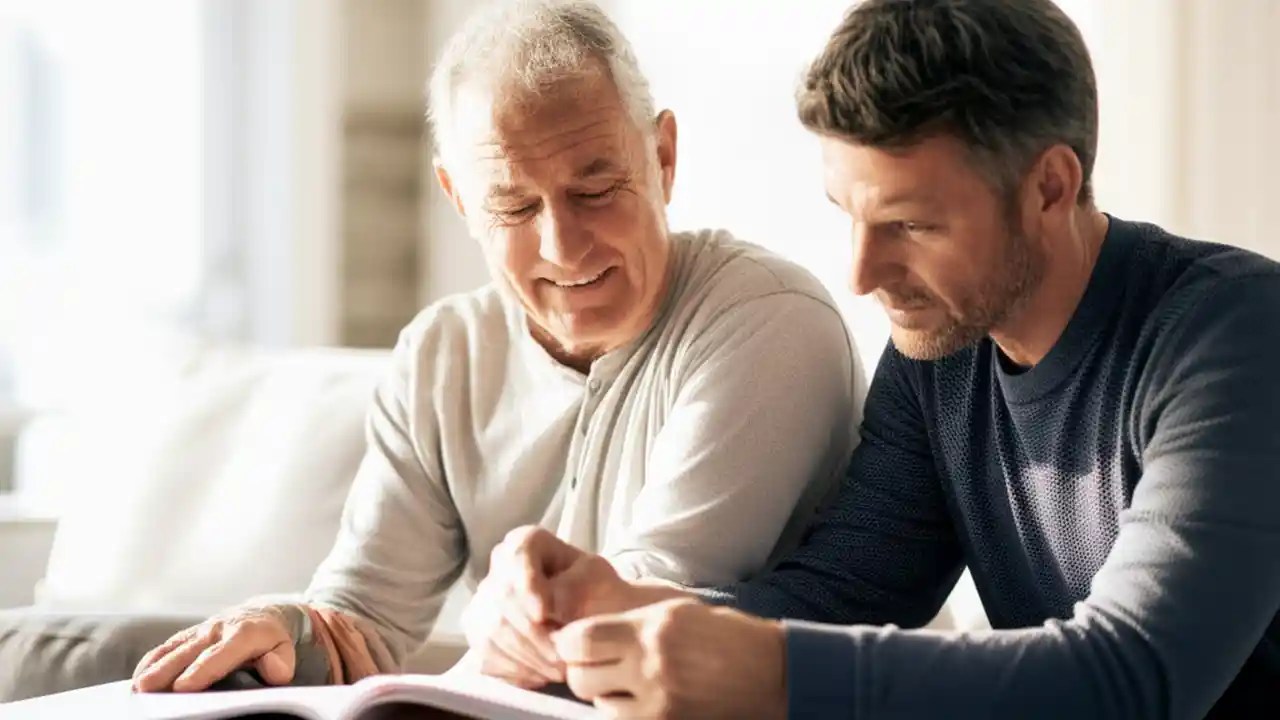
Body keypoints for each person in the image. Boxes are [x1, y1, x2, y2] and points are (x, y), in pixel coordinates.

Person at [469, 0, 1280, 717]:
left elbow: (1132, 679)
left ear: (1049, 188)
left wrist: (774, 673)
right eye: (848, 217)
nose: (860, 276)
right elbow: (838, 594)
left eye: (911, 225)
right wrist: (612, 611)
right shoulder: (943, 355)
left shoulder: (1237, 336)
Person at [123, 0, 861, 696]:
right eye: (514, 205)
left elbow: (642, 615)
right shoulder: (442, 356)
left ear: (663, 158)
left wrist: (480, 654)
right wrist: (285, 633)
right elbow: (361, 620)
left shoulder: (767, 320)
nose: (563, 247)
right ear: (460, 200)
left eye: (596, 190)